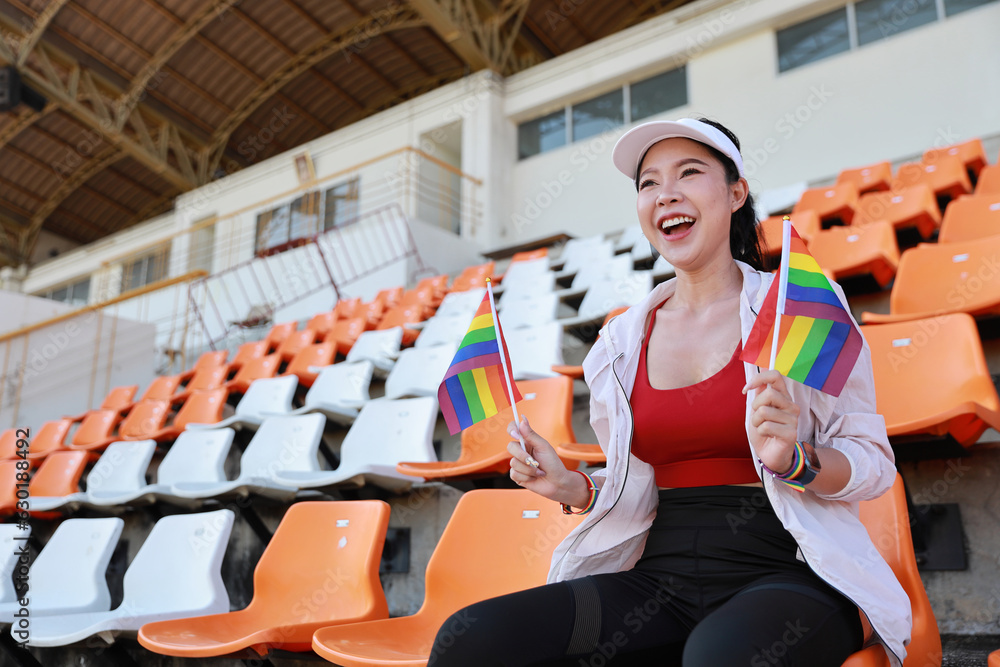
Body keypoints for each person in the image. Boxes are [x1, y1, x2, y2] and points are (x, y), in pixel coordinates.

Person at [428, 117, 911, 666]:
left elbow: (872, 463)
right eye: (648, 183)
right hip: (660, 585)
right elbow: (640, 486)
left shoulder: (797, 309)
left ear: (735, 193)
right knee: (472, 636)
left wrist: (795, 459)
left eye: (689, 172)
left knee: (717, 657)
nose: (666, 194)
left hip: (795, 575)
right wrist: (574, 487)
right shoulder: (619, 342)